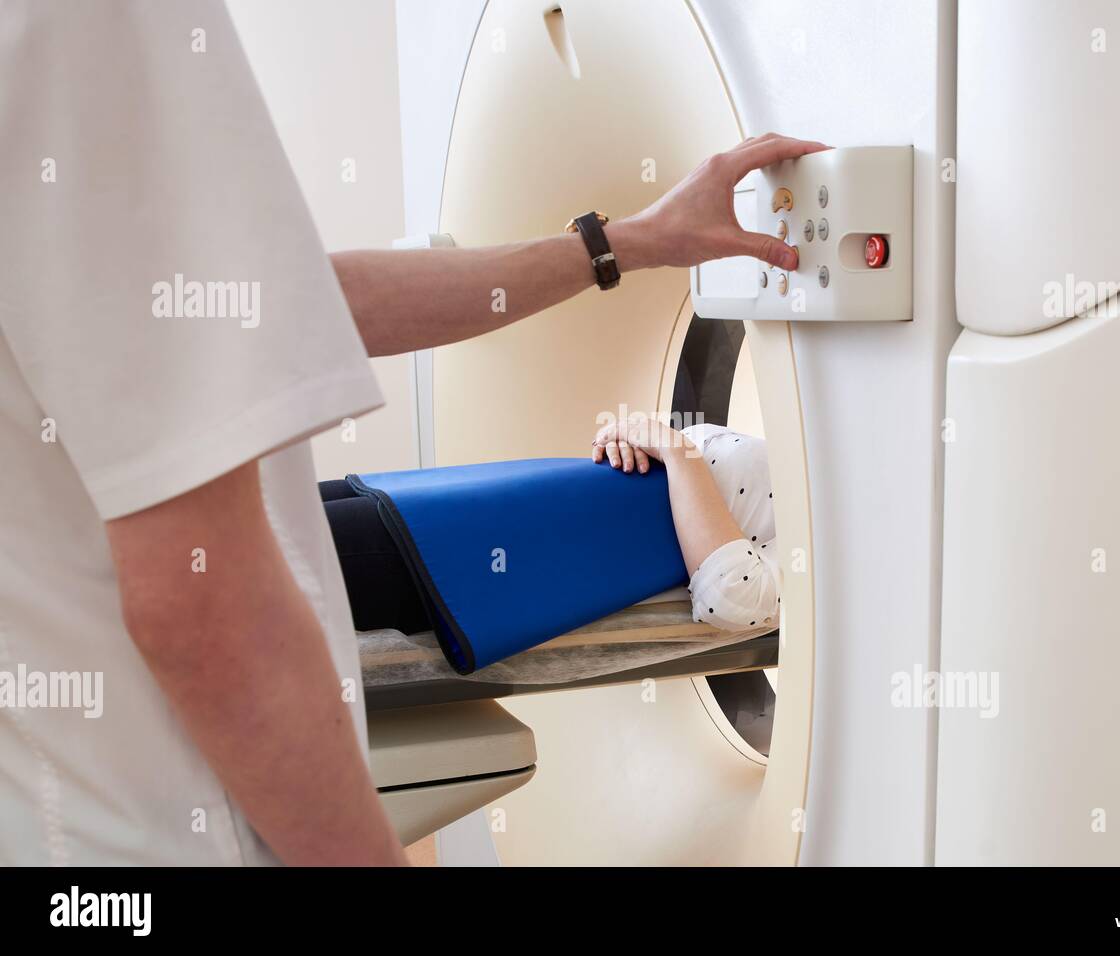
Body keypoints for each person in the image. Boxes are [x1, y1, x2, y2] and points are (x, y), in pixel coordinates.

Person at [0, 0, 824, 865]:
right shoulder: (93, 28)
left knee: (345, 539)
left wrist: (627, 245)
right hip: (126, 820)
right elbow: (199, 605)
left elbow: (281, 304)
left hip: (116, 794)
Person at [323, 421, 780, 656]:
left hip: (525, 550)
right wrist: (634, 436)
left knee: (302, 553)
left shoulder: (838, 558)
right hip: (517, 493)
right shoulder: (813, 459)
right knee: (289, 509)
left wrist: (674, 448)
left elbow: (735, 599)